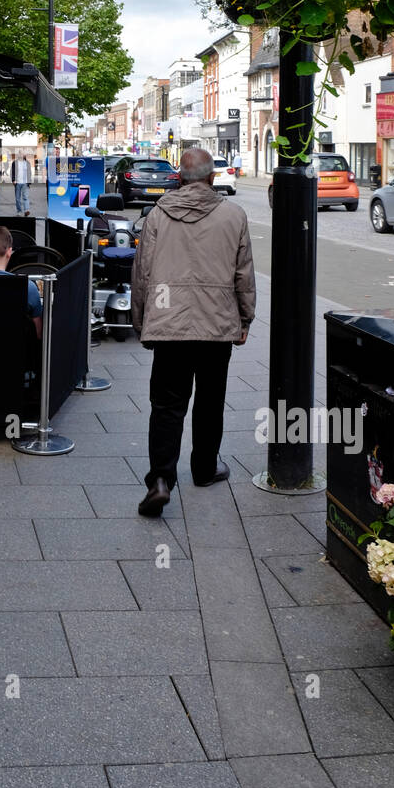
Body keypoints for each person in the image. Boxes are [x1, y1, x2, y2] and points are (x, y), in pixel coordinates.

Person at [131, 147, 256, 517]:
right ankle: (204, 469)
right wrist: (245, 319)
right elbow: (243, 274)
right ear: (212, 178)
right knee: (210, 400)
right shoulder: (234, 215)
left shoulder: (157, 215)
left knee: (167, 404)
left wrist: (142, 321)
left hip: (169, 323)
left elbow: (142, 273)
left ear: (179, 178)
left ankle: (160, 480)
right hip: (216, 325)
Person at [11, 150, 33, 215]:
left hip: (25, 183)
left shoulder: (27, 163)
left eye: (23, 154)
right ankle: (19, 211)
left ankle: (26, 210)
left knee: (25, 197)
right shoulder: (15, 163)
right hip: (17, 182)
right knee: (17, 198)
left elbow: (29, 172)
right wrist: (13, 180)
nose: (21, 155)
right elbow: (13, 172)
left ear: (24, 155)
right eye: (20, 154)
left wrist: (29, 181)